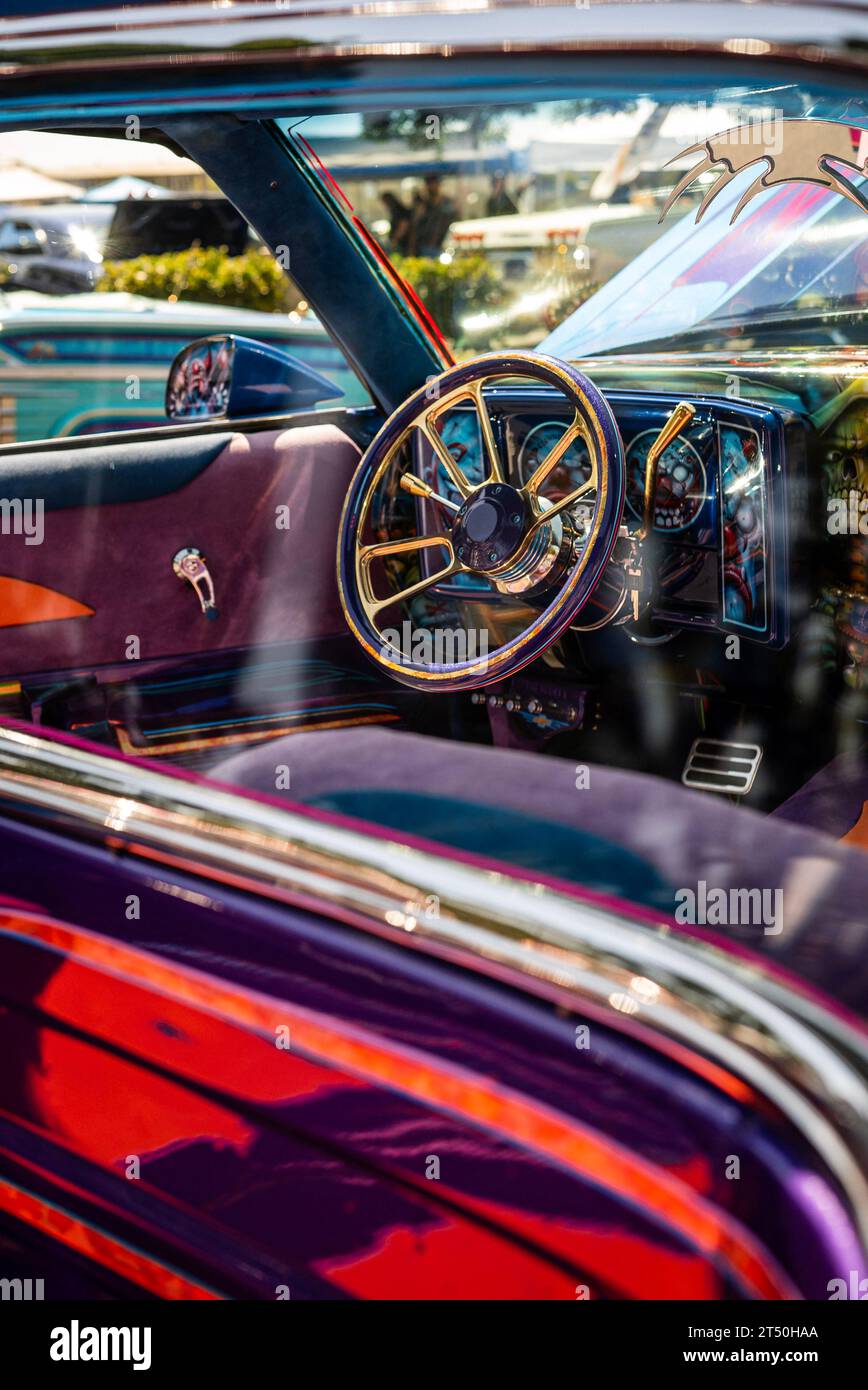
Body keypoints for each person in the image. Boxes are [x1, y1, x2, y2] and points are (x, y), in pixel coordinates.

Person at [411, 174, 458, 257]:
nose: (432, 187)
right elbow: (416, 224)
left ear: (439, 185)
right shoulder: (424, 204)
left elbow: (455, 219)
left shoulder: (447, 202)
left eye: (434, 184)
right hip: (425, 244)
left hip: (444, 244)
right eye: (429, 184)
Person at [379, 190, 412, 255]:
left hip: (402, 243)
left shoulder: (398, 210)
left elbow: (403, 225)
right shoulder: (396, 210)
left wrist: (395, 240)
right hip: (400, 242)